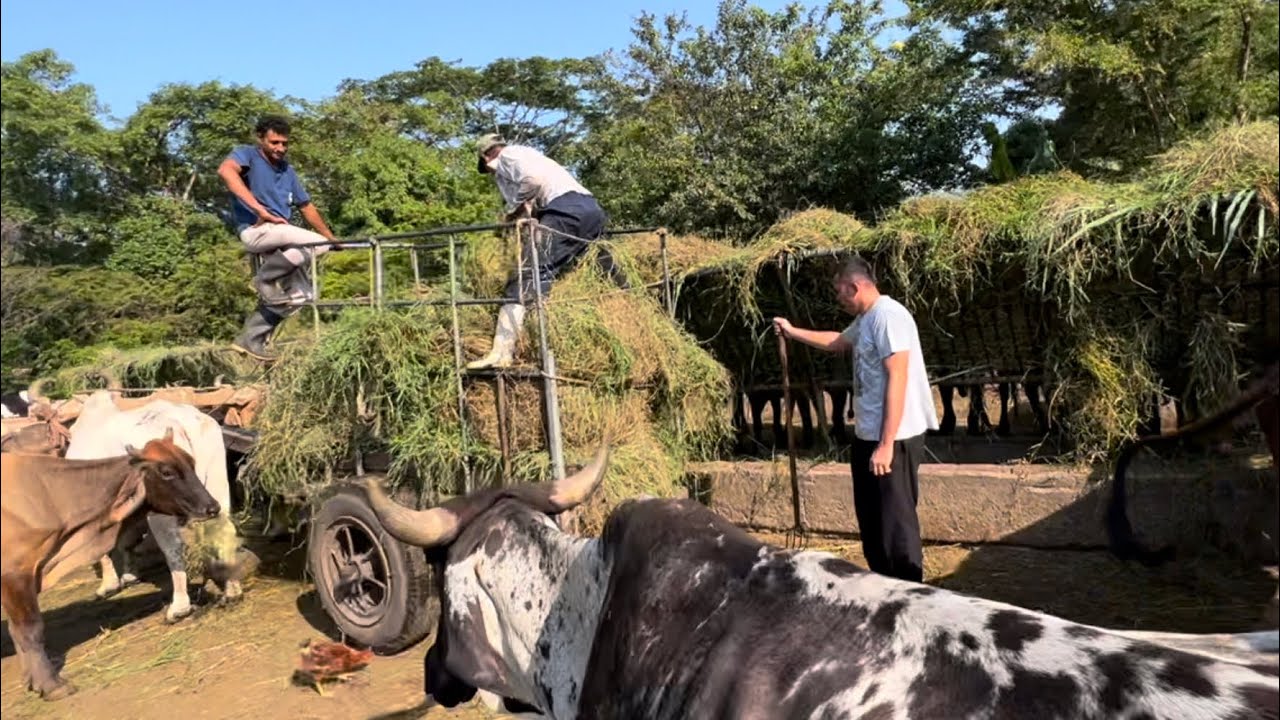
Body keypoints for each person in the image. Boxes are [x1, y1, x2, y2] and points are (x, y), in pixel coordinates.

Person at [772, 256, 938, 582]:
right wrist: (792, 332)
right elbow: (837, 342)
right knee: (872, 519)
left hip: (895, 437)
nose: (838, 299)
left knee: (896, 523)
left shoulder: (889, 317)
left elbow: (898, 378)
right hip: (869, 435)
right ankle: (883, 585)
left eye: (839, 292)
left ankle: (908, 590)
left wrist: (887, 444)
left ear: (855, 286)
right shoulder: (866, 320)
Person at [467, 133, 624, 370]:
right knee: (604, 267)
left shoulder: (508, 155)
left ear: (487, 156)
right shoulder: (532, 154)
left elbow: (534, 180)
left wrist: (509, 212)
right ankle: (636, 304)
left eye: (489, 170)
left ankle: (502, 353)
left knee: (527, 274)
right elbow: (531, 204)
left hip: (565, 210)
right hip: (590, 210)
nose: (493, 175)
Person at [217, 115, 338, 362]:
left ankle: (251, 339)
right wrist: (259, 209)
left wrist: (332, 238)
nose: (280, 148)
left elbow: (306, 207)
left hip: (281, 236)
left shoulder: (287, 170)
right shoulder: (247, 155)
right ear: (260, 139)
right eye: (274, 143)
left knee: (303, 296)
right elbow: (225, 171)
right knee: (319, 245)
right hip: (256, 230)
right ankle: (265, 278)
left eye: (284, 143)